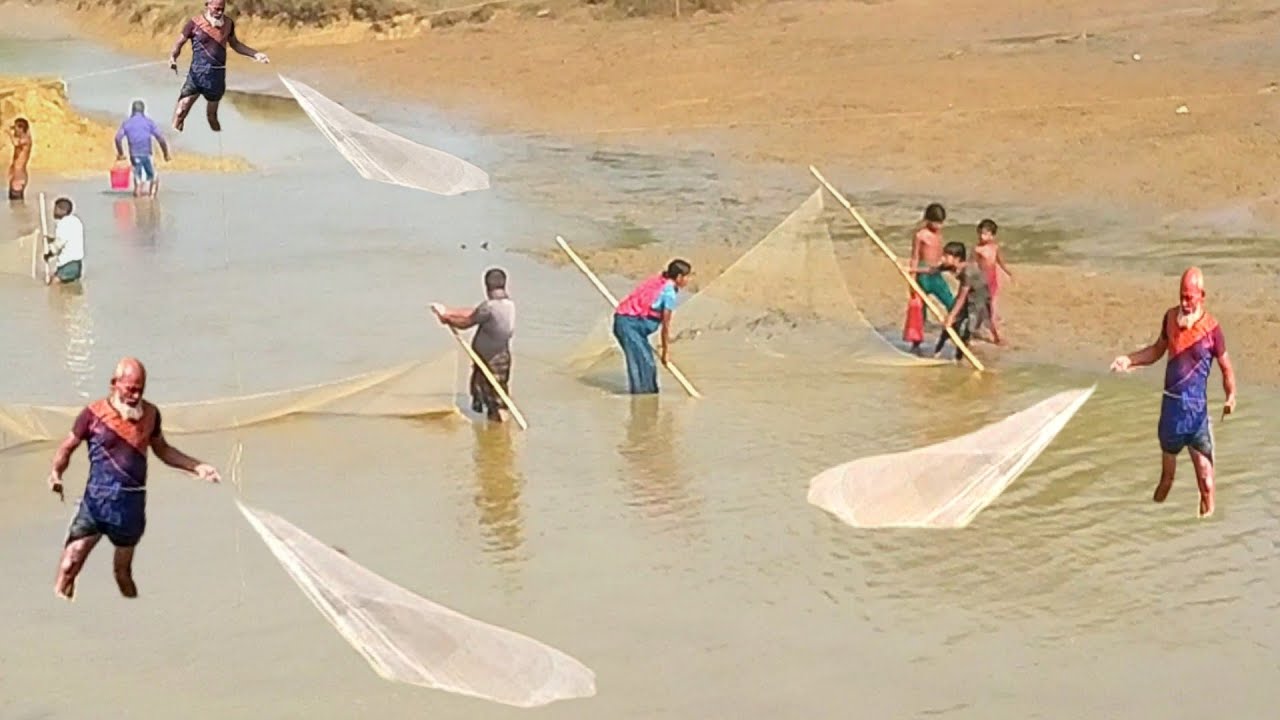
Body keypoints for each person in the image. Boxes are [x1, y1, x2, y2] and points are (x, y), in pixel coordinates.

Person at [48, 357, 222, 600]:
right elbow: (67, 447)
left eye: (140, 389)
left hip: (129, 507)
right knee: (70, 563)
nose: (135, 395)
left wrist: (197, 467)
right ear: (114, 384)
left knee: (122, 573)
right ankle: (59, 603)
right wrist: (56, 473)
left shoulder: (151, 415)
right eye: (130, 388)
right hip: (95, 503)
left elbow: (163, 450)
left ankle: (135, 610)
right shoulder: (92, 415)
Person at [1110, 267, 1237, 518]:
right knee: (1166, 480)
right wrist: (1129, 360)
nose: (1184, 302)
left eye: (1190, 297)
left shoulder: (1212, 329)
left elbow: (1226, 368)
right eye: (1182, 296)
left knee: (1207, 483)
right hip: (1171, 414)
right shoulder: (1170, 318)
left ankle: (1205, 526)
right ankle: (1147, 515)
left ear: (1202, 295)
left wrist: (1231, 396)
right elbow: (1156, 351)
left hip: (1197, 415)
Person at [168, 0, 269, 132]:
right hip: (196, 74)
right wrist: (172, 58)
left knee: (212, 116)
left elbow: (236, 45)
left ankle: (220, 142)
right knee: (181, 110)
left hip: (216, 77)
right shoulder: (194, 23)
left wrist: (255, 54)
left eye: (222, 9)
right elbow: (179, 42)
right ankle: (175, 140)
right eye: (216, 9)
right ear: (207, 5)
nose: (219, 12)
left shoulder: (228, 24)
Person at [432, 268, 517, 422]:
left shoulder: (489, 307)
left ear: (486, 287)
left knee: (496, 403)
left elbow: (466, 323)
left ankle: (499, 435)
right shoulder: (507, 304)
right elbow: (474, 313)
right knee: (496, 397)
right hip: (501, 356)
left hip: (489, 361)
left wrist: (446, 319)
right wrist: (449, 311)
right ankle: (493, 434)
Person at [612, 260, 692, 394]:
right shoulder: (668, 294)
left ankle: (647, 396)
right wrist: (665, 352)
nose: (688, 280)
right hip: (628, 325)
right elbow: (665, 326)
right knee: (643, 365)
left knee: (647, 365)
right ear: (678, 277)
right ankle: (642, 401)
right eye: (687, 276)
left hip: (631, 324)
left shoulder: (659, 281)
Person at [931, 241, 991, 361]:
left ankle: (959, 357)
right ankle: (937, 352)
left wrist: (951, 316)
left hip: (979, 301)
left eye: (946, 256)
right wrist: (911, 269)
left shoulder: (968, 271)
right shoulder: (952, 266)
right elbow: (932, 270)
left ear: (957, 258)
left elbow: (961, 296)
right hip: (967, 297)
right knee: (951, 326)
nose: (943, 258)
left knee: (968, 330)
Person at [114, 100, 171, 197]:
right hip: (147, 154)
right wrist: (166, 153)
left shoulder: (127, 123)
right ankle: (152, 200)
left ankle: (137, 202)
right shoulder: (148, 122)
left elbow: (117, 138)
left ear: (132, 111)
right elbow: (161, 138)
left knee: (138, 180)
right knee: (154, 178)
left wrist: (121, 153)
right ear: (143, 111)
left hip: (134, 155)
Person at [908, 203, 955, 316]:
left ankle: (956, 324)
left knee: (950, 301)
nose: (939, 226)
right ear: (928, 220)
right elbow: (915, 257)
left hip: (936, 273)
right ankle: (922, 329)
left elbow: (940, 252)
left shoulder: (938, 234)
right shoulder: (920, 235)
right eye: (936, 223)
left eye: (941, 223)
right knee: (920, 308)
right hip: (923, 275)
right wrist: (912, 280)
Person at [972, 218, 1011, 343]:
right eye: (981, 233)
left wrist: (1007, 271)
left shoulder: (994, 247)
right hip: (982, 281)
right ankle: (996, 337)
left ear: (992, 235)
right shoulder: (977, 249)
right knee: (986, 308)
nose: (982, 236)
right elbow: (972, 264)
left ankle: (979, 329)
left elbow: (999, 261)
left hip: (993, 280)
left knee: (989, 307)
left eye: (986, 234)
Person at [42, 197, 84, 285]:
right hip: (78, 264)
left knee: (52, 286)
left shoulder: (63, 224)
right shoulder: (76, 221)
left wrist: (49, 254)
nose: (53, 211)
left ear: (62, 210)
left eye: (55, 208)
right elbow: (70, 239)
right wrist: (52, 239)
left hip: (67, 264)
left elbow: (59, 244)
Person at [7, 117, 31, 201]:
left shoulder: (26, 139)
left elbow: (16, 143)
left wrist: (8, 132)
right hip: (15, 176)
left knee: (16, 202)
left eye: (16, 128)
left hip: (19, 177)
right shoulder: (22, 138)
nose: (14, 131)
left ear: (21, 129)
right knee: (14, 204)